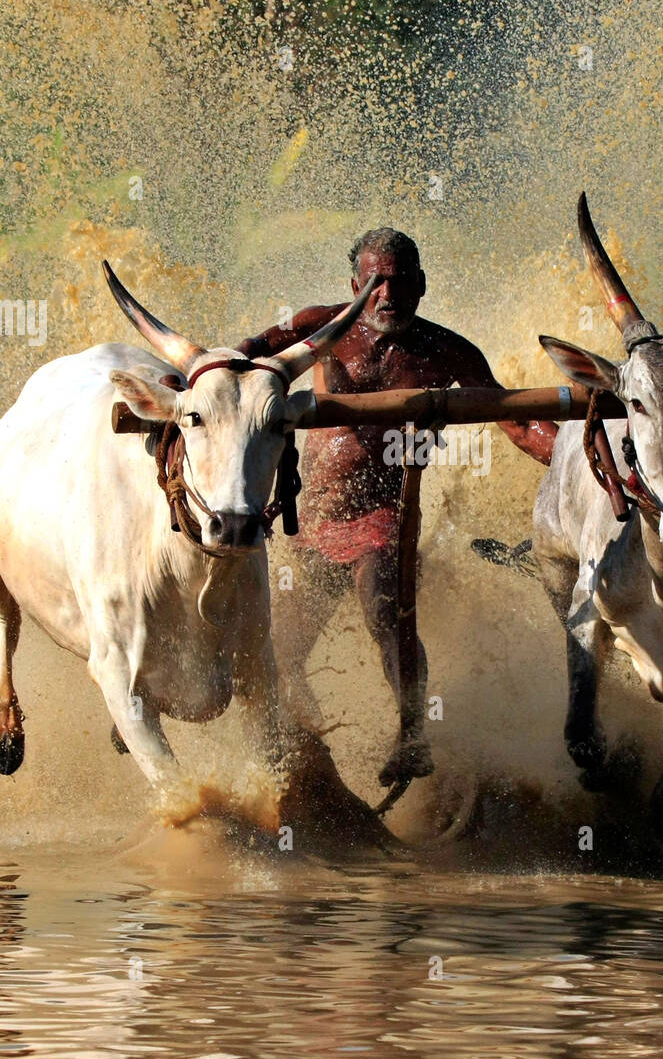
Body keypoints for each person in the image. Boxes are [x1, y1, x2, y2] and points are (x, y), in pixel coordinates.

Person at [235, 227, 556, 788]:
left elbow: (519, 421)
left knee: (387, 617)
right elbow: (243, 356)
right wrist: (199, 388)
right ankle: (302, 742)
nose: (388, 295)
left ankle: (413, 735)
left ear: (423, 286)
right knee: (279, 650)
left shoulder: (446, 352)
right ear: (354, 284)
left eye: (401, 282)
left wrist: (582, 461)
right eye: (376, 282)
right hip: (308, 519)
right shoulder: (318, 326)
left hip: (385, 518)